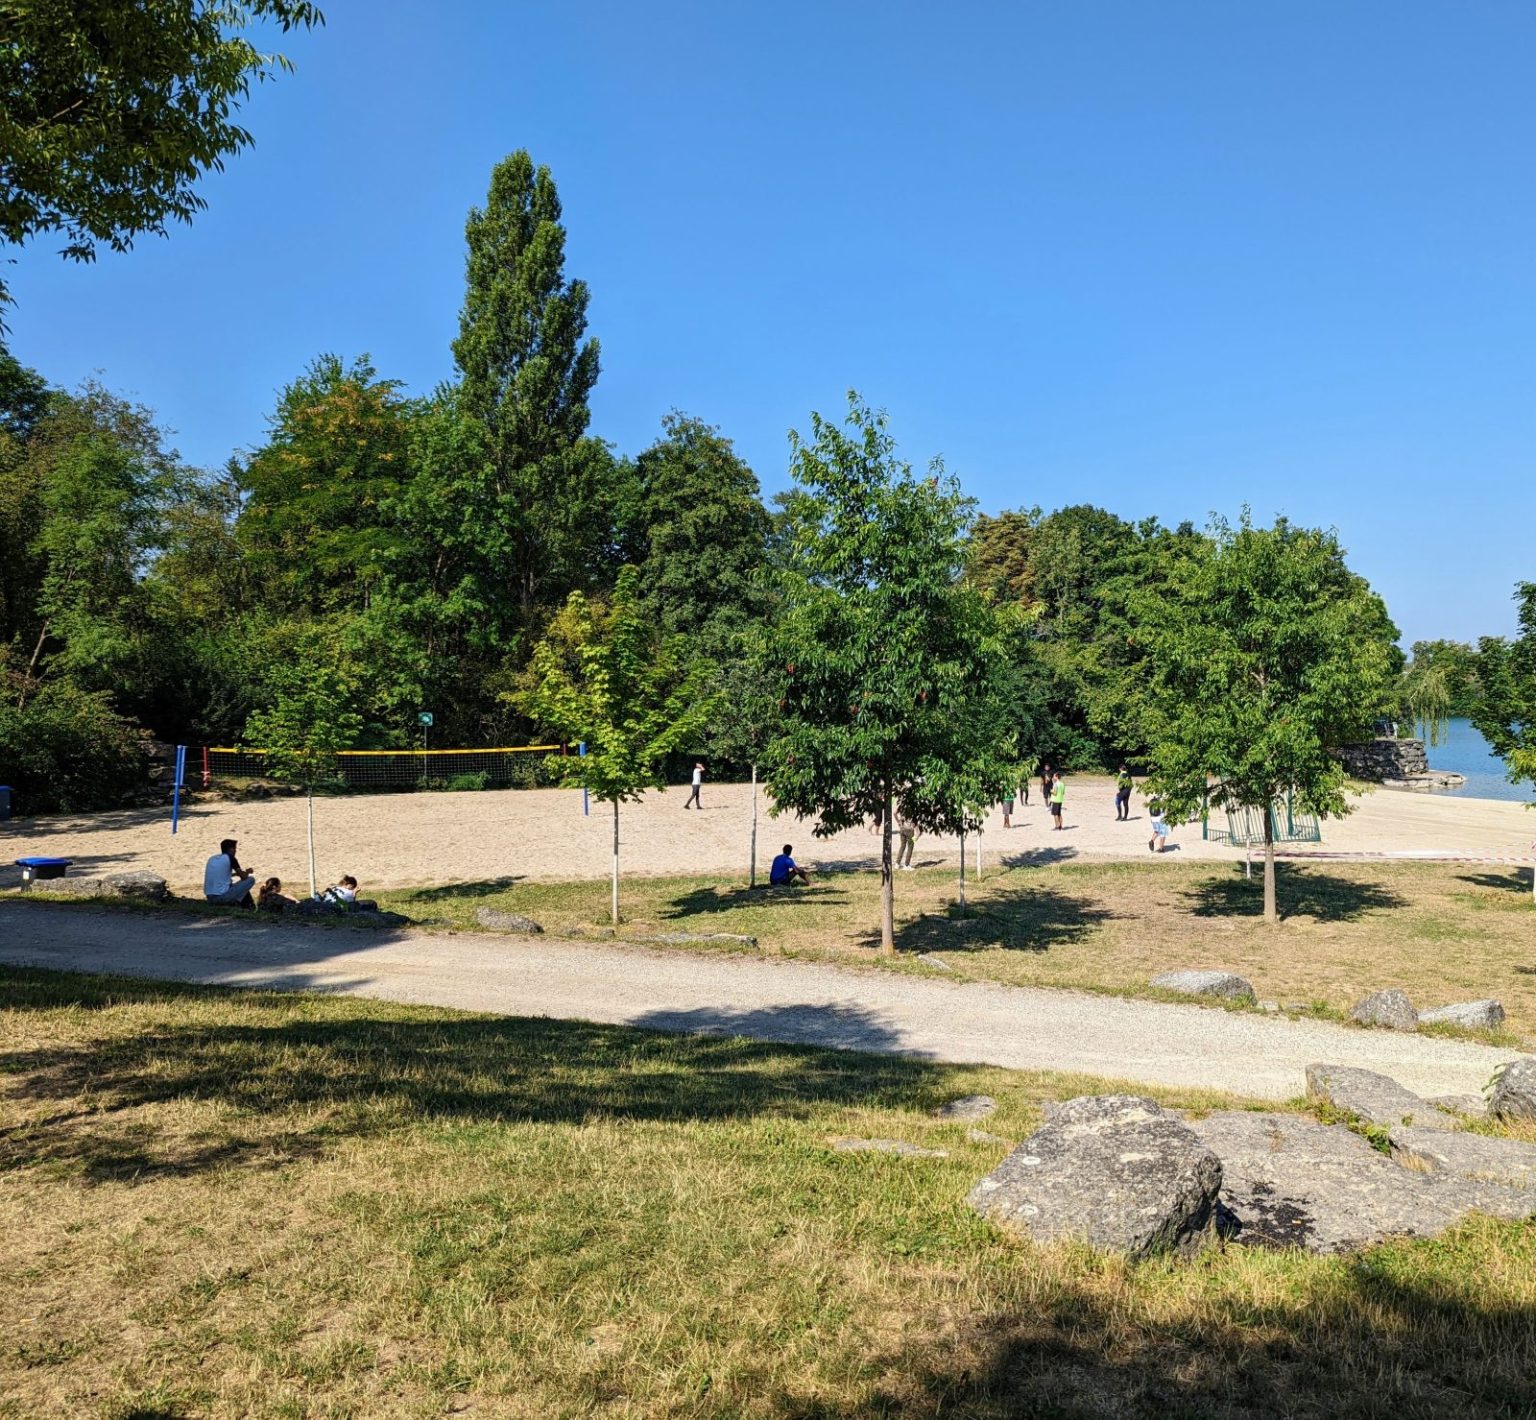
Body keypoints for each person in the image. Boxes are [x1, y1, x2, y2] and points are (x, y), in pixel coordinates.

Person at [204, 838, 255, 908]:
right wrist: (248, 872)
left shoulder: (212, 858)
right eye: (235, 849)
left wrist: (235, 874)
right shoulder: (231, 858)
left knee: (231, 884)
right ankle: (236, 902)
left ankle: (239, 904)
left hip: (210, 898)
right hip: (221, 898)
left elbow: (222, 875)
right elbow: (243, 877)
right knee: (250, 880)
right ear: (231, 849)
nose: (235, 851)